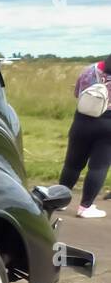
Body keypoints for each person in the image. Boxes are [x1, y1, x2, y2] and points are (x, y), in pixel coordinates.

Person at [58, 56, 111, 218]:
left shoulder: (90, 69)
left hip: (82, 120)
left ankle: (59, 200)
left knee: (72, 164)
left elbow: (77, 93)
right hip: (108, 124)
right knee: (99, 166)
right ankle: (85, 206)